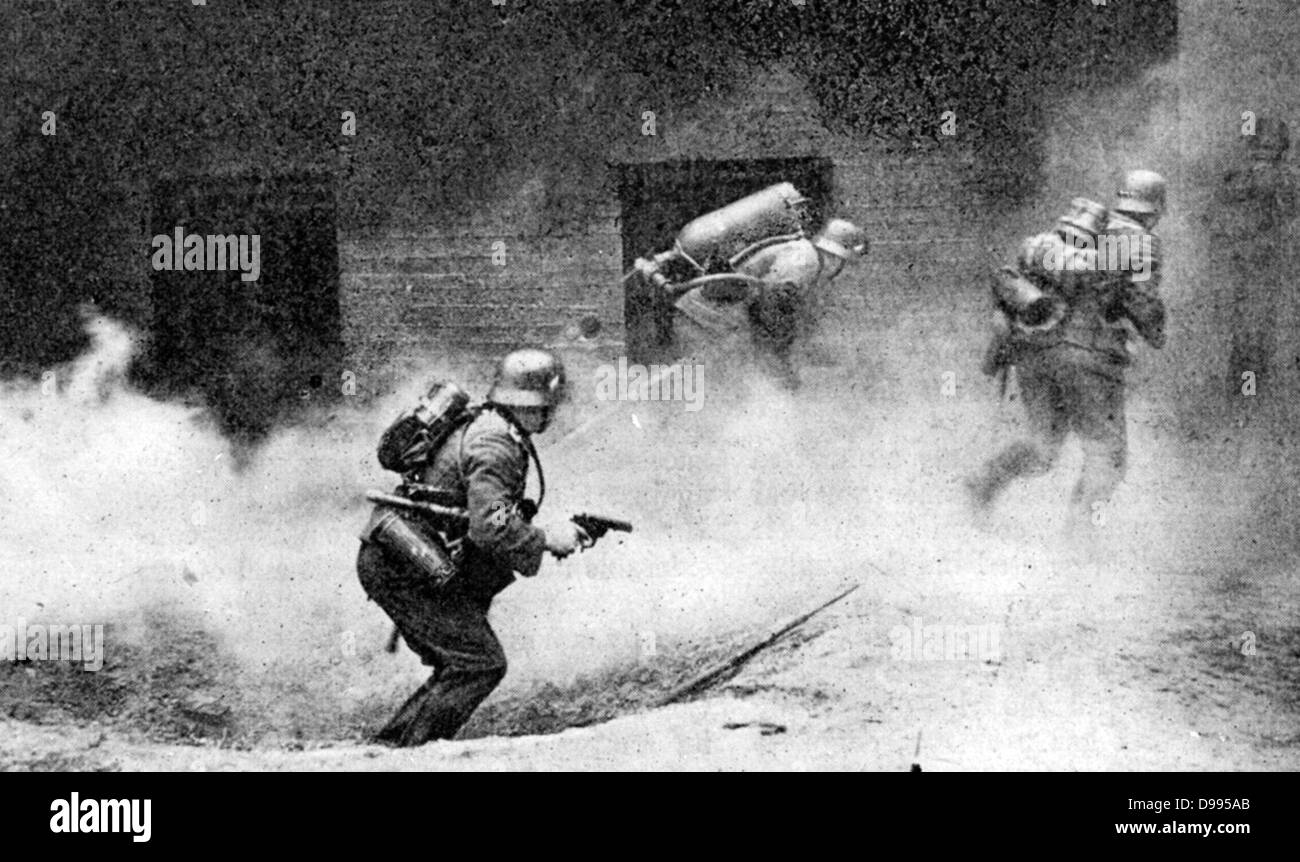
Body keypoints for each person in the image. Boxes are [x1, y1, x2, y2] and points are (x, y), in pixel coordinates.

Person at [357, 348, 589, 746]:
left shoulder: (490, 425)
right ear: (536, 404)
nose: (553, 413)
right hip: (404, 563)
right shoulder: (496, 444)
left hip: (403, 555)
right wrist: (547, 538)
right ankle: (410, 754)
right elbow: (491, 523)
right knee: (478, 664)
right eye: (550, 404)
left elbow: (488, 512)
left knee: (463, 661)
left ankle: (390, 748)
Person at [968, 173, 1168, 534]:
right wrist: (1156, 330)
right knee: (1107, 457)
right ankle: (1079, 542)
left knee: (1041, 447)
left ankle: (983, 484)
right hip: (1089, 360)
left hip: (1034, 351)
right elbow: (1142, 301)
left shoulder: (1078, 232)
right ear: (1155, 209)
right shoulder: (1139, 243)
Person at [671, 218, 868, 391]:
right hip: (705, 319)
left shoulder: (803, 257)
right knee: (713, 385)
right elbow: (770, 306)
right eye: (844, 263)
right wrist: (779, 364)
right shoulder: (804, 261)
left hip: (708, 317)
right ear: (835, 258)